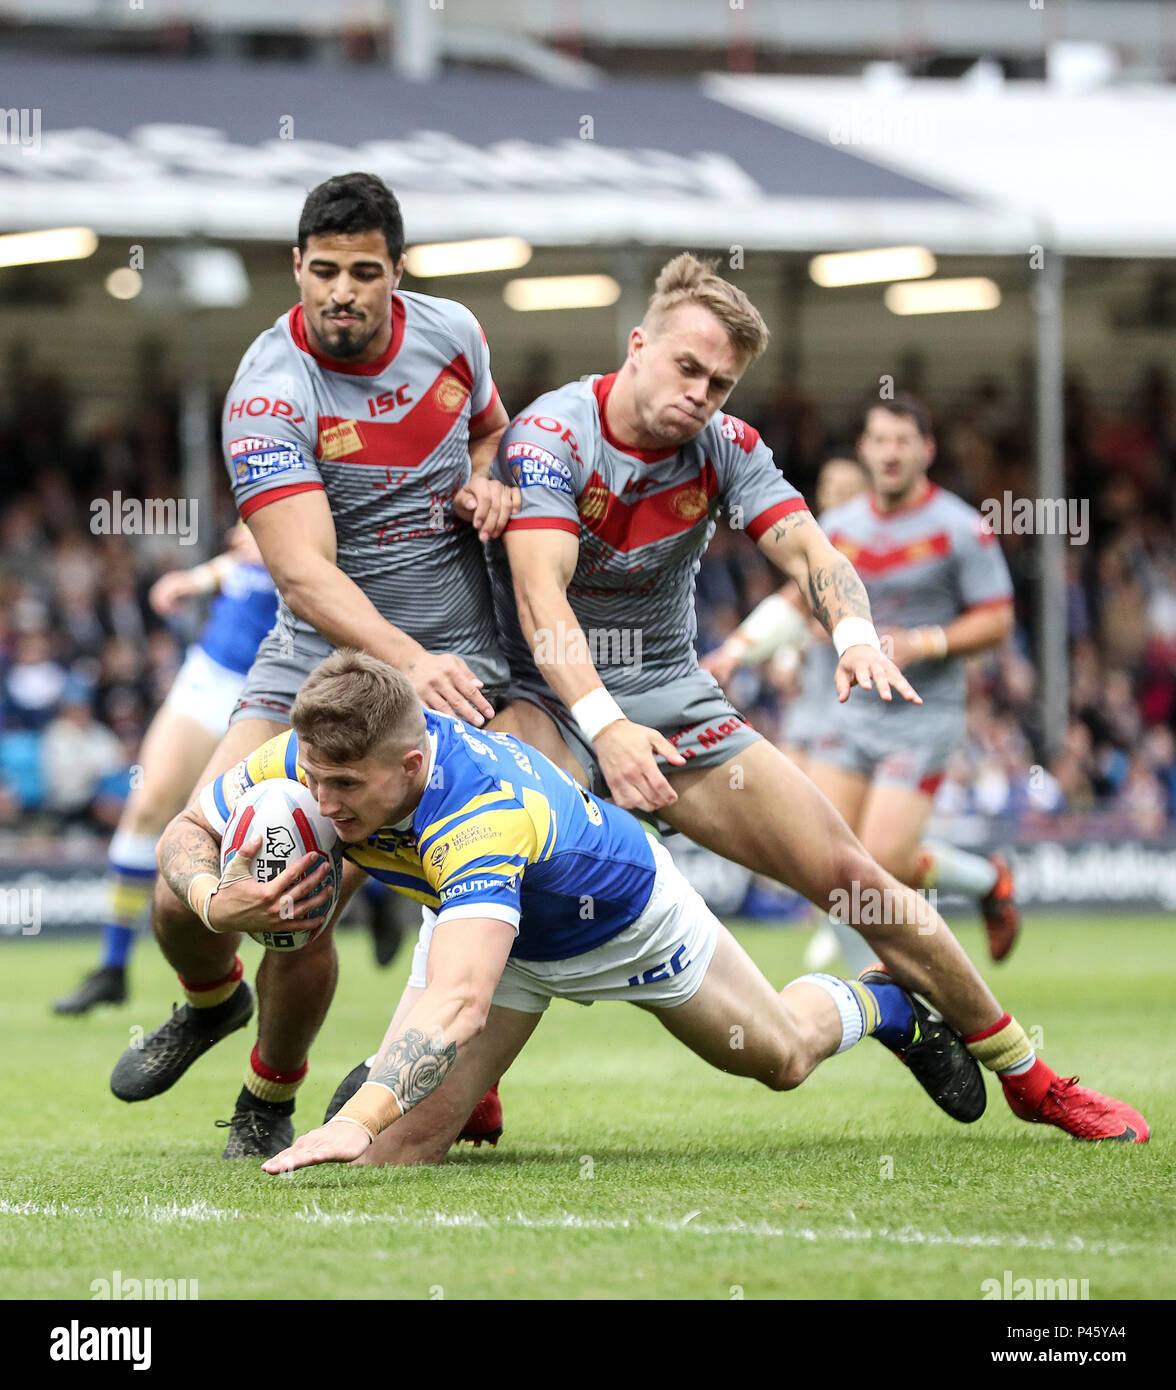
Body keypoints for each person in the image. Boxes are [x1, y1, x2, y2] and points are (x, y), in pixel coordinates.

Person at [456, 252, 1146, 1143]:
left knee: (861, 880)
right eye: (688, 368)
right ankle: (460, 1072)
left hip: (675, 700)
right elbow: (543, 605)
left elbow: (819, 558)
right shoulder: (552, 437)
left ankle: (1031, 1077)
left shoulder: (729, 447)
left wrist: (854, 635)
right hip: (554, 701)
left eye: (722, 382)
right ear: (638, 346)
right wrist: (607, 727)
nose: (703, 394)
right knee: (489, 833)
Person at [151, 649, 988, 1173]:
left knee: (780, 1058)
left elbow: (458, 1002)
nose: (324, 805)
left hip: (623, 921)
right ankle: (449, 1095)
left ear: (411, 764)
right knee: (390, 1156)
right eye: (314, 779)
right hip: (488, 926)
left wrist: (361, 1111)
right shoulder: (308, 757)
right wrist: (213, 900)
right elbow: (187, 828)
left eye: (346, 788)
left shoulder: (479, 812)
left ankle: (878, 1002)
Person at [108, 172, 518, 1159]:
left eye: (364, 272)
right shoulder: (266, 390)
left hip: (460, 661)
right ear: (296, 267)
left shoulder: (454, 334)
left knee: (349, 888)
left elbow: (491, 430)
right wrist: (407, 658)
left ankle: (272, 1097)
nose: (342, 290)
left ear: (397, 274)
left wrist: (487, 482)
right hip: (315, 661)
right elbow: (301, 570)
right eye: (323, 270)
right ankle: (210, 999)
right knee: (187, 873)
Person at [702, 437, 1020, 974]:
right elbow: (799, 601)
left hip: (905, 714)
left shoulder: (947, 532)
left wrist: (926, 641)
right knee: (822, 855)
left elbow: (992, 620)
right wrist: (742, 650)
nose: (836, 501)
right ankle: (875, 982)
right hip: (834, 713)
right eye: (877, 440)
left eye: (899, 440)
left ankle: (984, 885)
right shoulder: (840, 535)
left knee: (877, 859)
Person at [53, 527, 276, 1014]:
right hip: (213, 671)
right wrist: (196, 579)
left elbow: (293, 553)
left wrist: (275, 545)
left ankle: (379, 896)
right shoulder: (268, 463)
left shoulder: (343, 481)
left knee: (251, 822)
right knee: (150, 803)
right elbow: (244, 552)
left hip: (278, 682)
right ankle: (112, 966)